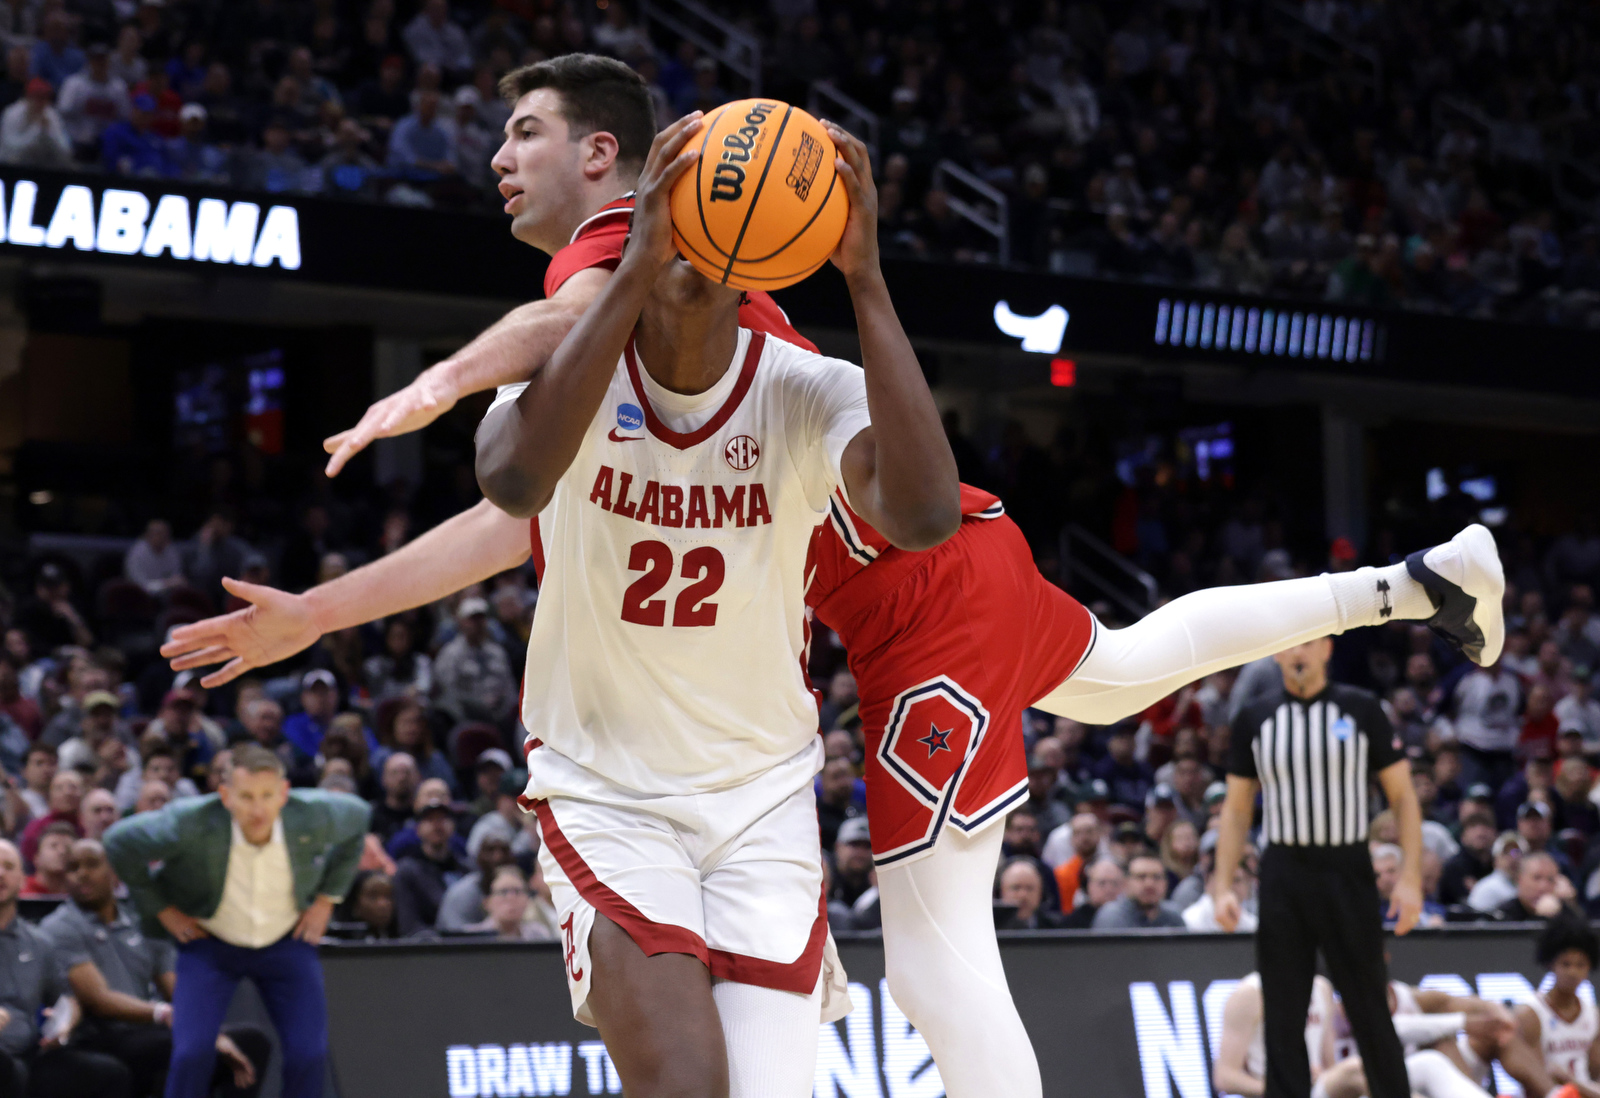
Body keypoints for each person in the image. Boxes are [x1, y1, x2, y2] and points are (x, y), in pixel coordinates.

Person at [163, 49, 1510, 1098]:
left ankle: (1409, 583)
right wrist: (335, 595)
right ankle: (1412, 579)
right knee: (1110, 670)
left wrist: (447, 376)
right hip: (929, 570)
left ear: (606, 160)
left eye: (522, 134)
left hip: (907, 595)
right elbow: (528, 497)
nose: (499, 159)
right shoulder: (672, 265)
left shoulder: (645, 238)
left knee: (937, 957)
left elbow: (551, 331)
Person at [1213, 635, 1427, 1098]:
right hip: (1283, 872)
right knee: (1283, 1013)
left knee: (1369, 1004)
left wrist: (1410, 878)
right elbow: (1235, 809)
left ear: (1327, 649)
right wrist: (1222, 885)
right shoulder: (1255, 717)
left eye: (1308, 643)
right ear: (1274, 653)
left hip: (1346, 869)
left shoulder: (1363, 708)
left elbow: (1403, 796)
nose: (1298, 653)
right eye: (1288, 645)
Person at [102, 743, 370, 1098]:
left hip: (286, 941)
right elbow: (117, 841)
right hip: (211, 944)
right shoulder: (189, 821)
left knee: (310, 1053)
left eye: (266, 795)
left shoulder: (313, 815)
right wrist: (163, 910)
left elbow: (360, 817)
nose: (258, 809)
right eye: (246, 797)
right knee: (192, 1052)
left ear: (284, 793)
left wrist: (326, 899)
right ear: (225, 795)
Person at [39, 839, 266, 1098]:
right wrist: (166, 1015)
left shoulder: (141, 921)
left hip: (153, 1029)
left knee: (250, 1041)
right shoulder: (59, 927)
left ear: (115, 871)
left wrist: (204, 1027)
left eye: (92, 864)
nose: (82, 874)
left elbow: (174, 986)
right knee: (174, 1046)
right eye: (72, 868)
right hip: (104, 1035)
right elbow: (98, 999)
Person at [0, 838, 132, 1096]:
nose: (0, 873)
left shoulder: (39, 942)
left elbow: (66, 999)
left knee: (109, 1073)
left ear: (23, 879)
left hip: (32, 1053)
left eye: (8, 866)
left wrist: (64, 1024)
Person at [1213, 973, 1336, 1097]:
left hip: (1314, 1090)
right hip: (1273, 1092)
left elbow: (1330, 1066)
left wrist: (1319, 1078)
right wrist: (1287, 1088)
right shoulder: (1250, 993)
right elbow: (1225, 1077)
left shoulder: (1321, 988)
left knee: (1351, 1071)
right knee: (1352, 1071)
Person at [1516, 914, 1600, 1096]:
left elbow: (1597, 1073)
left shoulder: (1593, 1015)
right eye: (1566, 964)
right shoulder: (1530, 1013)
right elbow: (1535, 1082)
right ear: (1551, 965)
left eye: (1581, 965)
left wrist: (1571, 1082)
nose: (1573, 972)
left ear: (1589, 968)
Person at [391, 793, 469, 935]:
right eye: (429, 819)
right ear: (418, 829)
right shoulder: (407, 871)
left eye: (442, 819)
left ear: (453, 826)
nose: (437, 825)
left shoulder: (467, 869)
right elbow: (409, 926)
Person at [1092, 851, 1184, 928]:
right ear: (1126, 883)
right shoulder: (1112, 916)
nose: (1149, 884)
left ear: (1166, 883)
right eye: (1141, 877)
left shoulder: (1174, 915)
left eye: (1157, 877)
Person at [464, 864, 553, 941]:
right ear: (487, 902)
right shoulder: (471, 937)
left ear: (527, 899)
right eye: (503, 892)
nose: (511, 898)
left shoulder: (539, 935)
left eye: (517, 891)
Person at [996, 858, 1063, 930]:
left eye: (1030, 888)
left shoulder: (1056, 928)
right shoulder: (987, 928)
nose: (1023, 895)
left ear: (1041, 893)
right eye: (1016, 888)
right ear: (1001, 892)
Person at [1061, 857, 1123, 928]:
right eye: (1102, 883)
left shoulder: (1129, 918)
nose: (1109, 889)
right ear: (1088, 886)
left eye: (1114, 883)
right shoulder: (1072, 922)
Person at [22, 823, 73, 896]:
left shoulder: (82, 896)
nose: (62, 852)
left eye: (68, 848)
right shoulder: (19, 891)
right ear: (36, 858)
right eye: (53, 846)